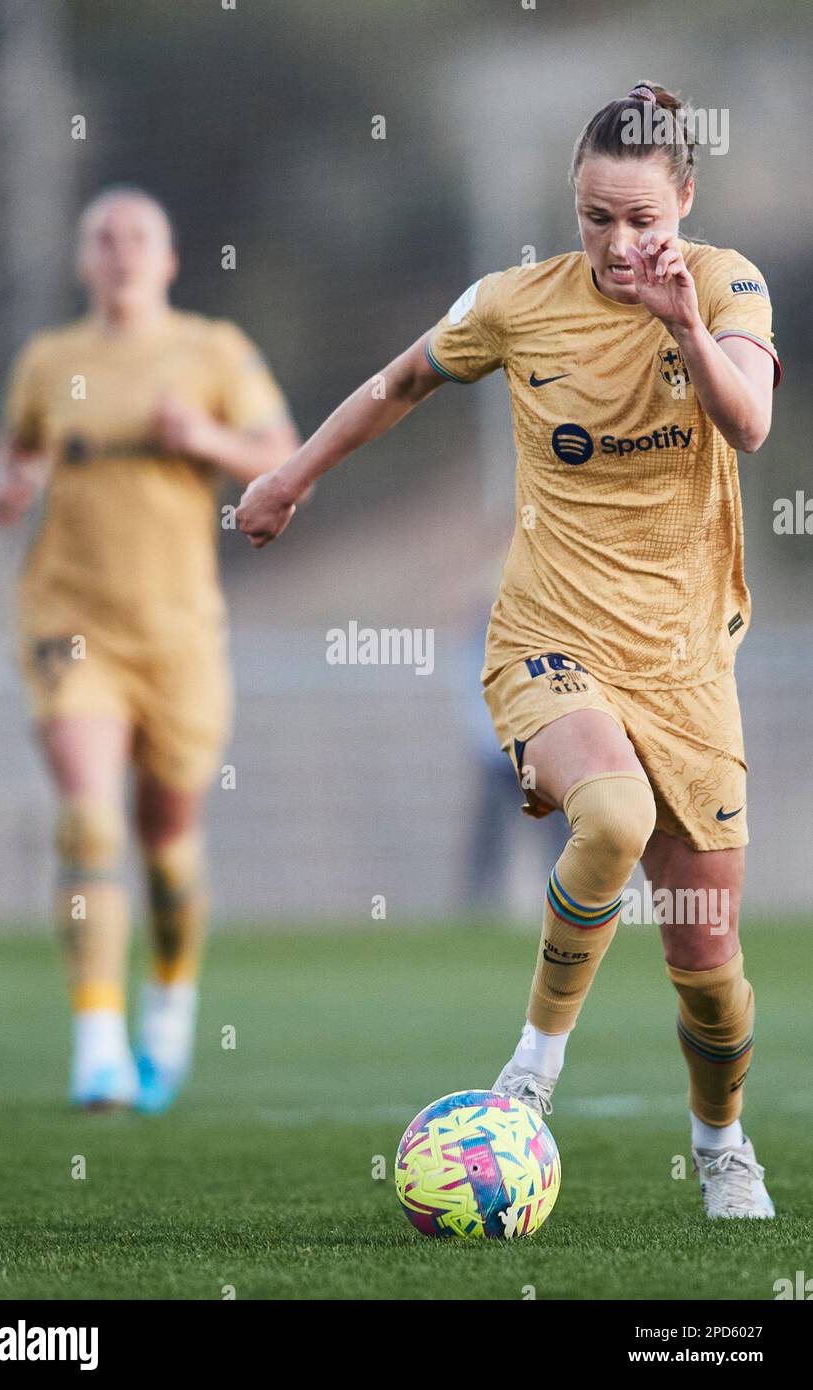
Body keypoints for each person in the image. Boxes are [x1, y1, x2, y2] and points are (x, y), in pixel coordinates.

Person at [235, 83, 781, 1218]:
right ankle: (529, 1069)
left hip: (683, 666)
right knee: (611, 817)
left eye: (641, 218)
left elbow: (747, 423)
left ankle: (720, 1145)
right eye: (593, 217)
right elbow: (400, 382)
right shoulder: (512, 306)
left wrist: (679, 323)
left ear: (685, 198)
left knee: (710, 980)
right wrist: (292, 476)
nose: (618, 243)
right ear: (570, 207)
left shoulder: (726, 285)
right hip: (548, 637)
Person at [0, 186, 298, 1111]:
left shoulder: (213, 351)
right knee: (88, 818)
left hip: (180, 637)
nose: (120, 252)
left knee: (166, 844)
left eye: (137, 238)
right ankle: (97, 1043)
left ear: (167, 260)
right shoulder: (50, 361)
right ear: (84, 261)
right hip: (68, 624)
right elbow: (20, 459)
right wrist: (7, 489)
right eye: (103, 239)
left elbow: (282, 453)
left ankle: (169, 1003)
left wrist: (200, 436)